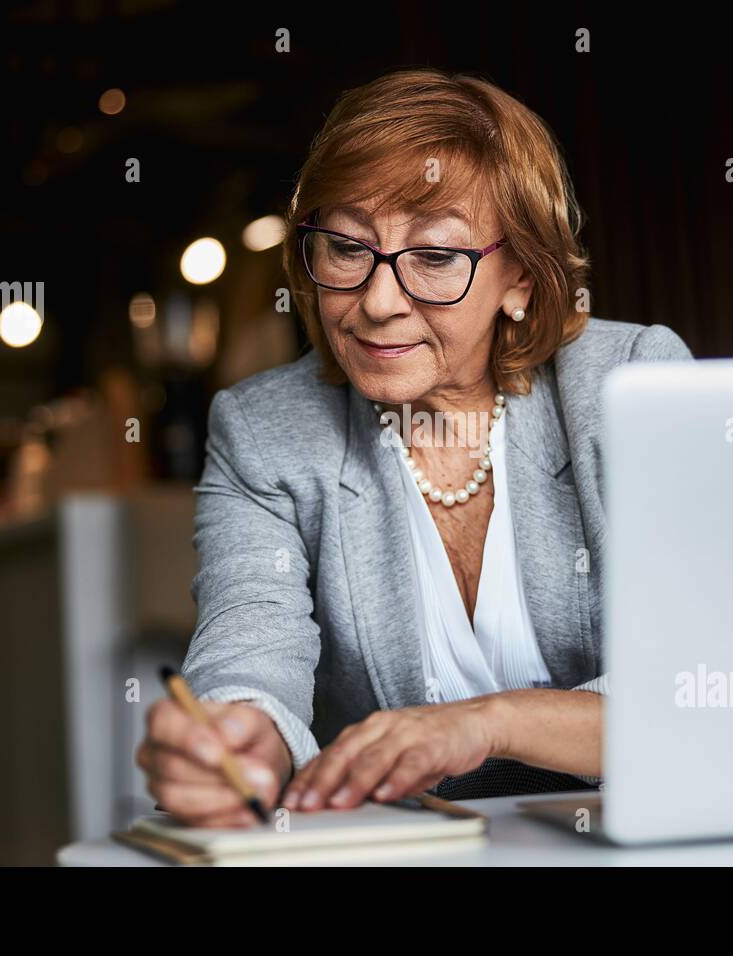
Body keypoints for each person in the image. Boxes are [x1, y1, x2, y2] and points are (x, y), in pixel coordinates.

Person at [137, 67, 691, 826]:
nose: (377, 299)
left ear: (520, 277)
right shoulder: (265, 429)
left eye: (435, 257)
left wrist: (485, 724)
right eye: (344, 248)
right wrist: (239, 741)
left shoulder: (628, 387)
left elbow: (697, 685)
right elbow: (249, 646)